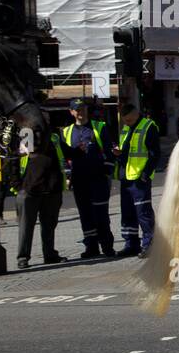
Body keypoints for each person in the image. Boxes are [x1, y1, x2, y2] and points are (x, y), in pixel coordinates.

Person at [61, 96, 116, 258]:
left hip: (98, 179)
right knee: (85, 215)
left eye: (83, 109)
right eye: (77, 109)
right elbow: (64, 157)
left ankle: (107, 247)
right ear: (71, 112)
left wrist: (107, 172)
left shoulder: (100, 127)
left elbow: (110, 151)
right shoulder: (66, 132)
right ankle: (91, 247)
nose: (80, 112)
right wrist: (68, 176)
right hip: (79, 180)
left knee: (101, 215)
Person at [14, 126, 66, 270]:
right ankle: (23, 257)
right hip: (30, 188)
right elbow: (15, 157)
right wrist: (17, 184)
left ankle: (50, 255)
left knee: (49, 225)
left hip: (52, 188)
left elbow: (66, 152)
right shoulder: (27, 134)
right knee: (26, 226)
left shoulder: (54, 136)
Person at [115, 104, 160, 258]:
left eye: (128, 120)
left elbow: (155, 155)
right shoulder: (126, 129)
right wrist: (118, 153)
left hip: (140, 179)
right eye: (124, 121)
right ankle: (131, 244)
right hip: (126, 178)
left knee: (143, 213)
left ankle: (149, 244)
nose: (126, 123)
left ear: (136, 114)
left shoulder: (149, 126)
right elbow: (127, 152)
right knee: (127, 213)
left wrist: (145, 175)